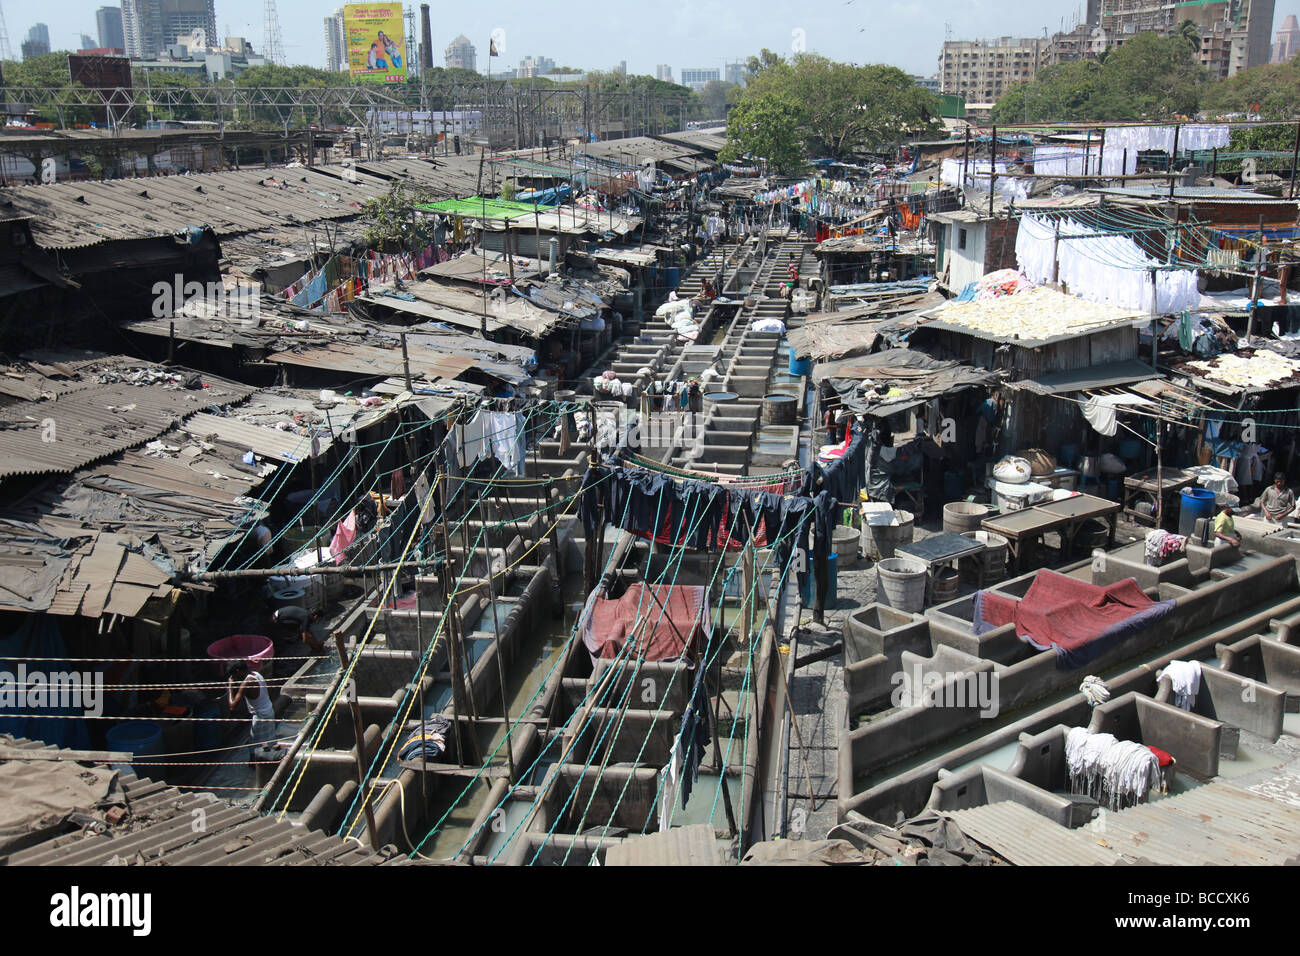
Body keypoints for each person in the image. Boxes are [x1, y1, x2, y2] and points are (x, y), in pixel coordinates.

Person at [226, 661, 276, 751]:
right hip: (269, 710)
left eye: (234, 675)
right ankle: (268, 760)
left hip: (261, 716)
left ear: (238, 671)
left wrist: (230, 687)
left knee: (254, 746)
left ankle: (253, 764)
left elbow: (232, 706)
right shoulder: (256, 674)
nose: (235, 678)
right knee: (268, 741)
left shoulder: (247, 683)